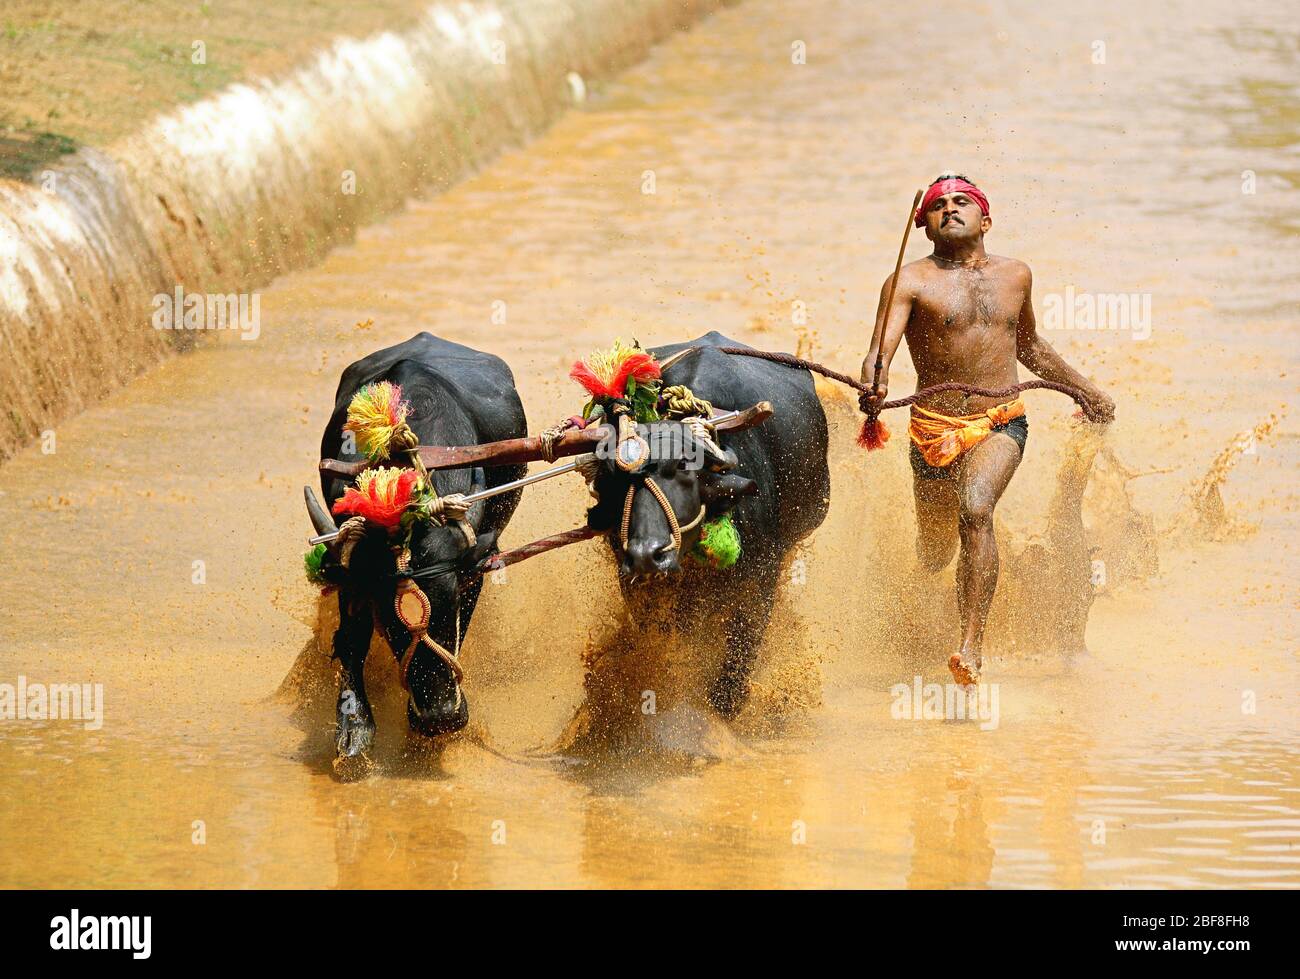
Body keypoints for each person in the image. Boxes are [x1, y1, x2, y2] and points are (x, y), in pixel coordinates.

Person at [861, 174, 1115, 685]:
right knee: (933, 553)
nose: (949, 210)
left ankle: (970, 648)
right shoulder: (907, 281)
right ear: (925, 226)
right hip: (933, 431)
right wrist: (873, 384)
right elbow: (877, 354)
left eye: (961, 202)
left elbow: (1031, 347)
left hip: (1001, 421)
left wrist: (1084, 388)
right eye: (937, 206)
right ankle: (912, 620)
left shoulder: (1016, 275)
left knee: (976, 507)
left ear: (986, 219)